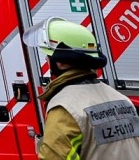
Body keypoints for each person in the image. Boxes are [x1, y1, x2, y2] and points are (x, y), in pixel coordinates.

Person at [33, 18, 139, 160]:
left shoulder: (65, 108)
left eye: (48, 57)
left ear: (61, 63)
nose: (46, 61)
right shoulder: (122, 99)